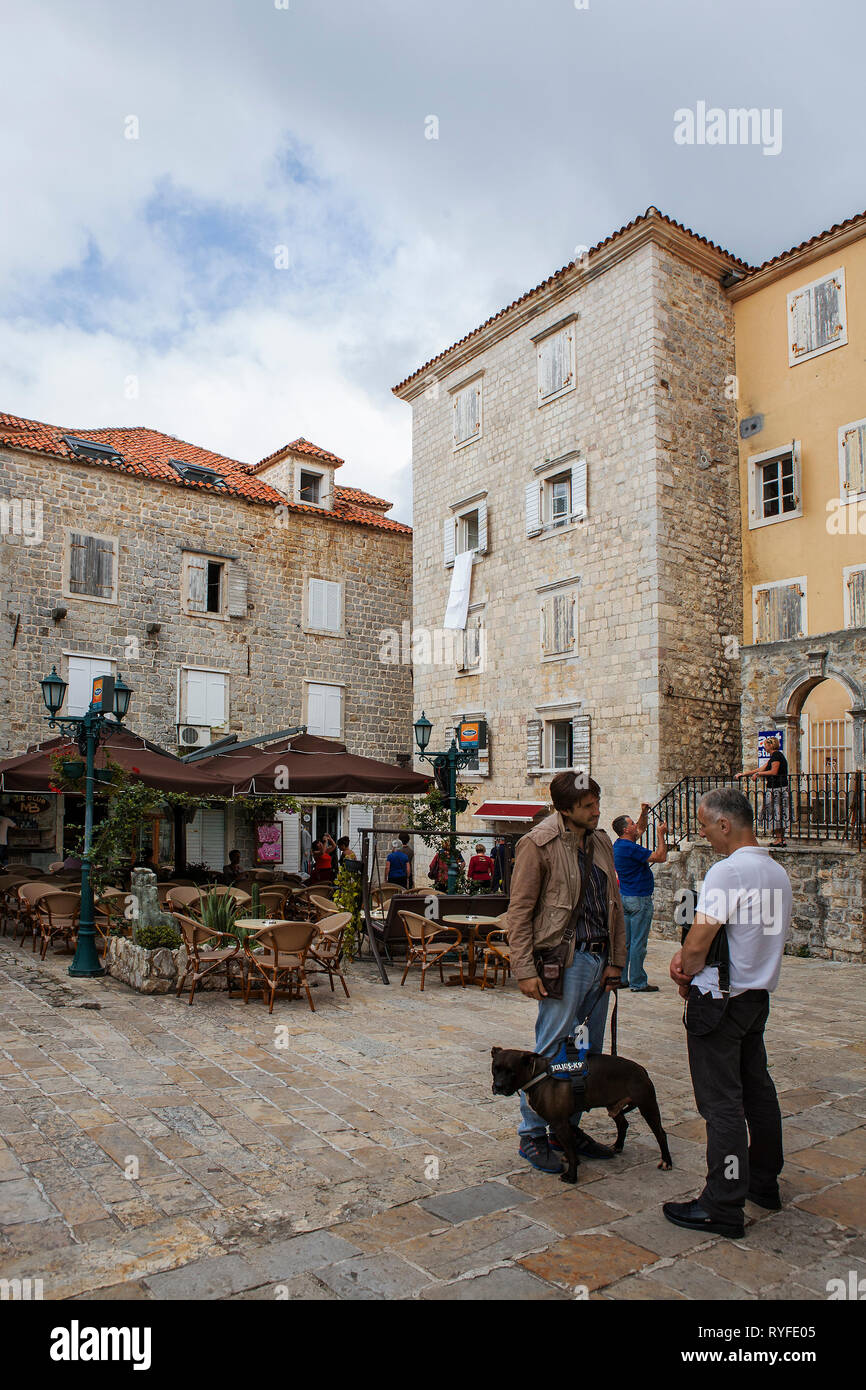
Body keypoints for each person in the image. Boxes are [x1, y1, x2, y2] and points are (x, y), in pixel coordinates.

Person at [664, 787, 792, 1239]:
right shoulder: (777, 871)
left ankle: (722, 1203)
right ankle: (763, 1181)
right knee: (758, 1091)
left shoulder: (727, 871)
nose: (701, 833)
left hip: (720, 999)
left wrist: (684, 969)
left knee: (720, 1103)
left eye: (703, 825)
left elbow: (700, 939)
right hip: (757, 997)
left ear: (724, 824)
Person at [504, 771, 626, 1175]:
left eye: (596, 803)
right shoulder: (537, 844)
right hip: (564, 963)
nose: (597, 811)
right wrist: (523, 968)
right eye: (588, 806)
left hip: (599, 959)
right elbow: (519, 912)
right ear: (565, 809)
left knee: (584, 1054)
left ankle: (566, 1128)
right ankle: (532, 1135)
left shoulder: (602, 841)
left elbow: (615, 905)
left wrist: (616, 961)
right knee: (550, 1052)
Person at [611, 805, 668, 992]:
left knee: (626, 942)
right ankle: (638, 981)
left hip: (625, 897)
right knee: (638, 943)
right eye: (632, 823)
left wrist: (643, 813)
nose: (636, 825)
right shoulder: (630, 848)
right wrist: (661, 834)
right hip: (639, 898)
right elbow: (660, 857)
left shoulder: (619, 845)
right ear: (626, 829)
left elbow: (641, 829)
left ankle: (622, 978)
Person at [735, 736, 789, 847]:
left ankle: (780, 839)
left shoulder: (776, 756)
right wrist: (744, 774)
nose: (764, 747)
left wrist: (758, 775)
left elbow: (773, 772)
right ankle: (780, 839)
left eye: (765, 745)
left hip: (777, 788)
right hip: (776, 788)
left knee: (776, 813)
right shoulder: (774, 757)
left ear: (770, 745)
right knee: (775, 813)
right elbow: (761, 769)